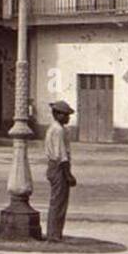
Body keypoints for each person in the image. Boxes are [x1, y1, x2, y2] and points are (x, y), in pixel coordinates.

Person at [44, 100, 77, 242]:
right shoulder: (57, 130)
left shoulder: (59, 129)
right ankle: (54, 234)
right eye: (65, 115)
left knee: (58, 201)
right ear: (57, 115)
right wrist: (68, 174)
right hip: (59, 167)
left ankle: (56, 233)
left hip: (56, 166)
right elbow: (61, 155)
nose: (68, 118)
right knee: (58, 202)